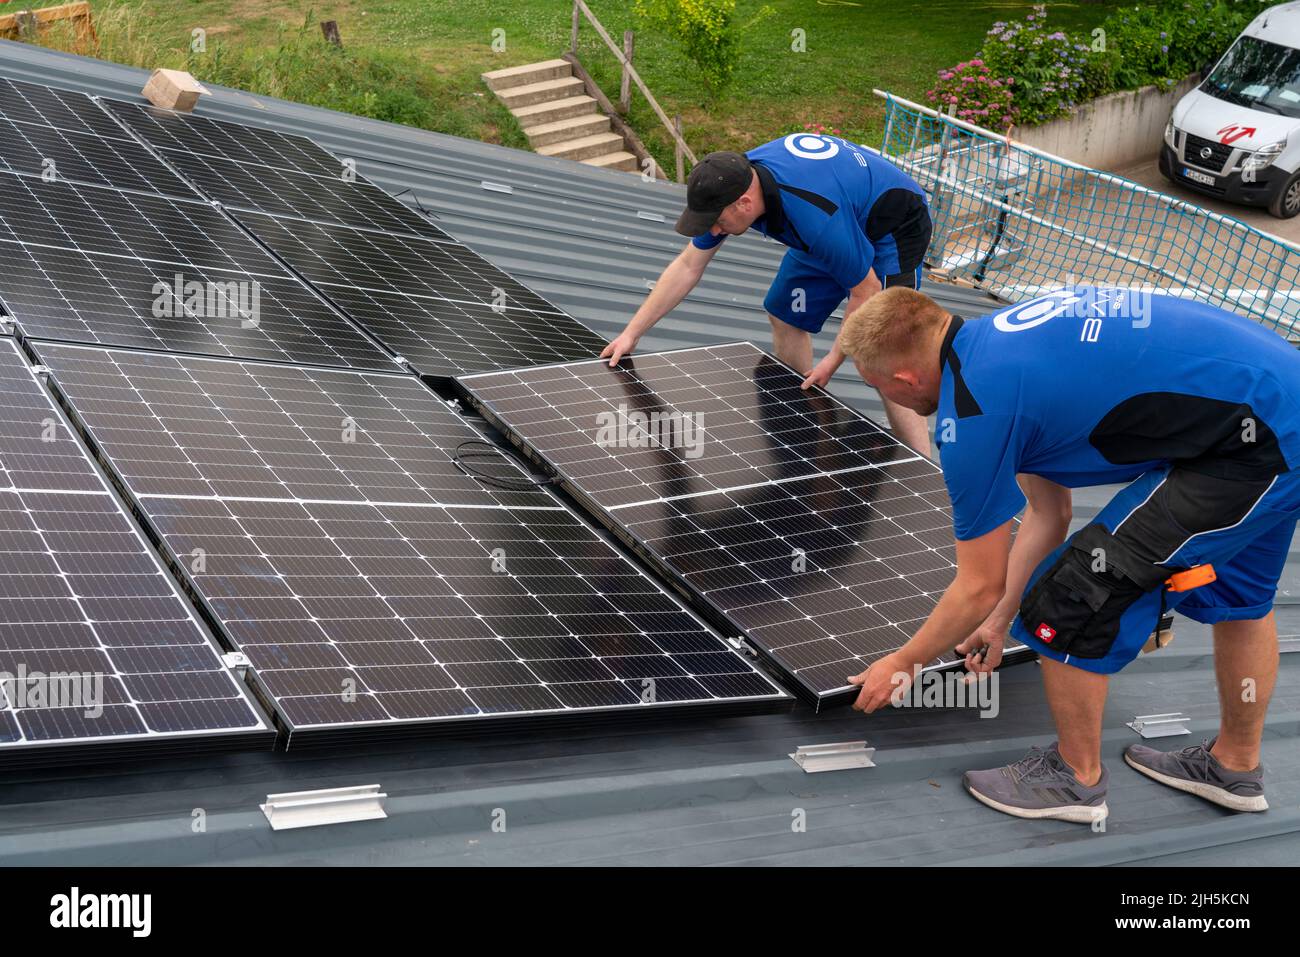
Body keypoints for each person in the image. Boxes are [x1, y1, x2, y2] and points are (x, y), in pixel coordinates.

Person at [839, 285, 1299, 824]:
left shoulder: (972, 414)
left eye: (877, 387)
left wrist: (903, 663)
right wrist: (999, 620)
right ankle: (1233, 769)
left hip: (1260, 441)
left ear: (905, 380)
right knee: (1240, 598)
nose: (887, 399)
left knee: (1073, 594)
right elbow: (1048, 512)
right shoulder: (993, 344)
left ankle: (1074, 780)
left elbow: (976, 584)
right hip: (1274, 409)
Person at [601, 135, 934, 454]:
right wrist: (631, 334)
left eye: (716, 222)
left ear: (745, 204)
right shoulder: (732, 181)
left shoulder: (813, 217)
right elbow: (689, 265)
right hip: (839, 218)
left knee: (884, 353)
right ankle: (804, 428)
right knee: (784, 312)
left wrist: (830, 364)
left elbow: (867, 291)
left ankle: (924, 472)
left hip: (893, 225)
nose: (713, 231)